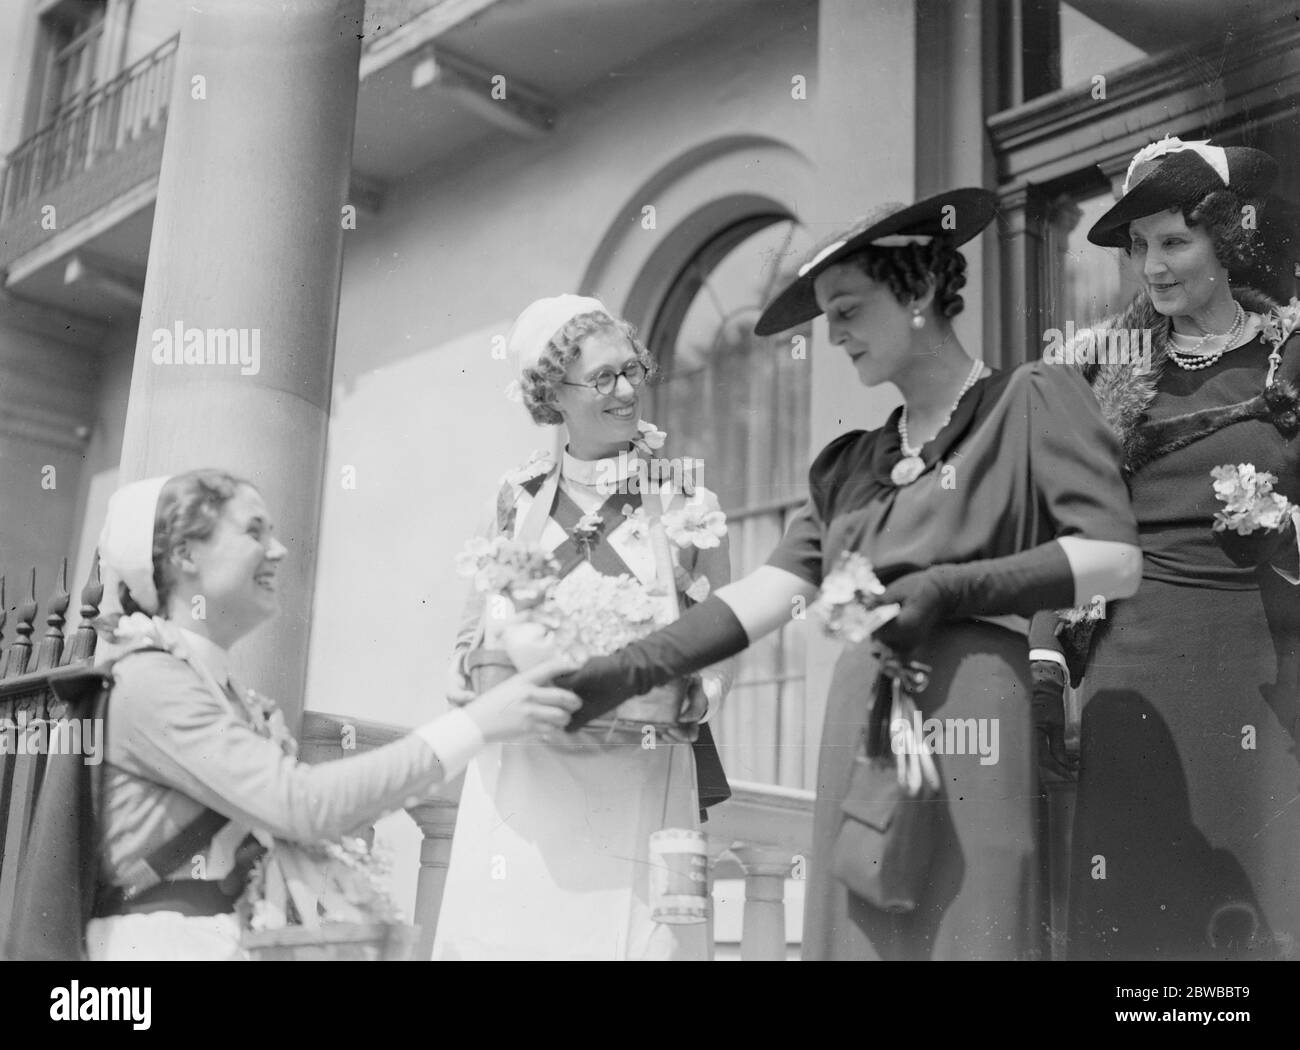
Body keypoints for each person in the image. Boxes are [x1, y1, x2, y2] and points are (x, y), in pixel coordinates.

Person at [558, 189, 1144, 960]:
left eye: (847, 309)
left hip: (975, 721)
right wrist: (619, 672)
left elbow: (1114, 558)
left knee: (975, 928)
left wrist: (954, 588)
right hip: (863, 723)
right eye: (826, 317)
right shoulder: (851, 465)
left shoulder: (1029, 402)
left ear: (922, 291)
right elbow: (765, 594)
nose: (832, 335)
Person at [86, 470, 579, 961]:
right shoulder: (152, 681)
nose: (278, 551)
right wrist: (476, 725)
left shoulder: (214, 684)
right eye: (254, 532)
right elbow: (302, 805)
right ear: (185, 555)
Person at [1027, 136, 1300, 960]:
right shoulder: (1098, 372)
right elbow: (1053, 531)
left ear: (1232, 238)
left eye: (1175, 241)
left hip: (1265, 680)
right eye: (1139, 246)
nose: (1152, 266)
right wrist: (1045, 666)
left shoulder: (1291, 359)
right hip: (1129, 688)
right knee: (1138, 931)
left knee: (1259, 924)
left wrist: (1287, 528)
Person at [432, 295, 734, 960]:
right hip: (528, 777)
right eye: (602, 378)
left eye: (631, 370)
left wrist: (706, 685)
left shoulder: (687, 496)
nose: (626, 391)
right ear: (551, 395)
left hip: (640, 764)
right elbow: (468, 640)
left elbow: (723, 629)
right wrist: (467, 679)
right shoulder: (515, 498)